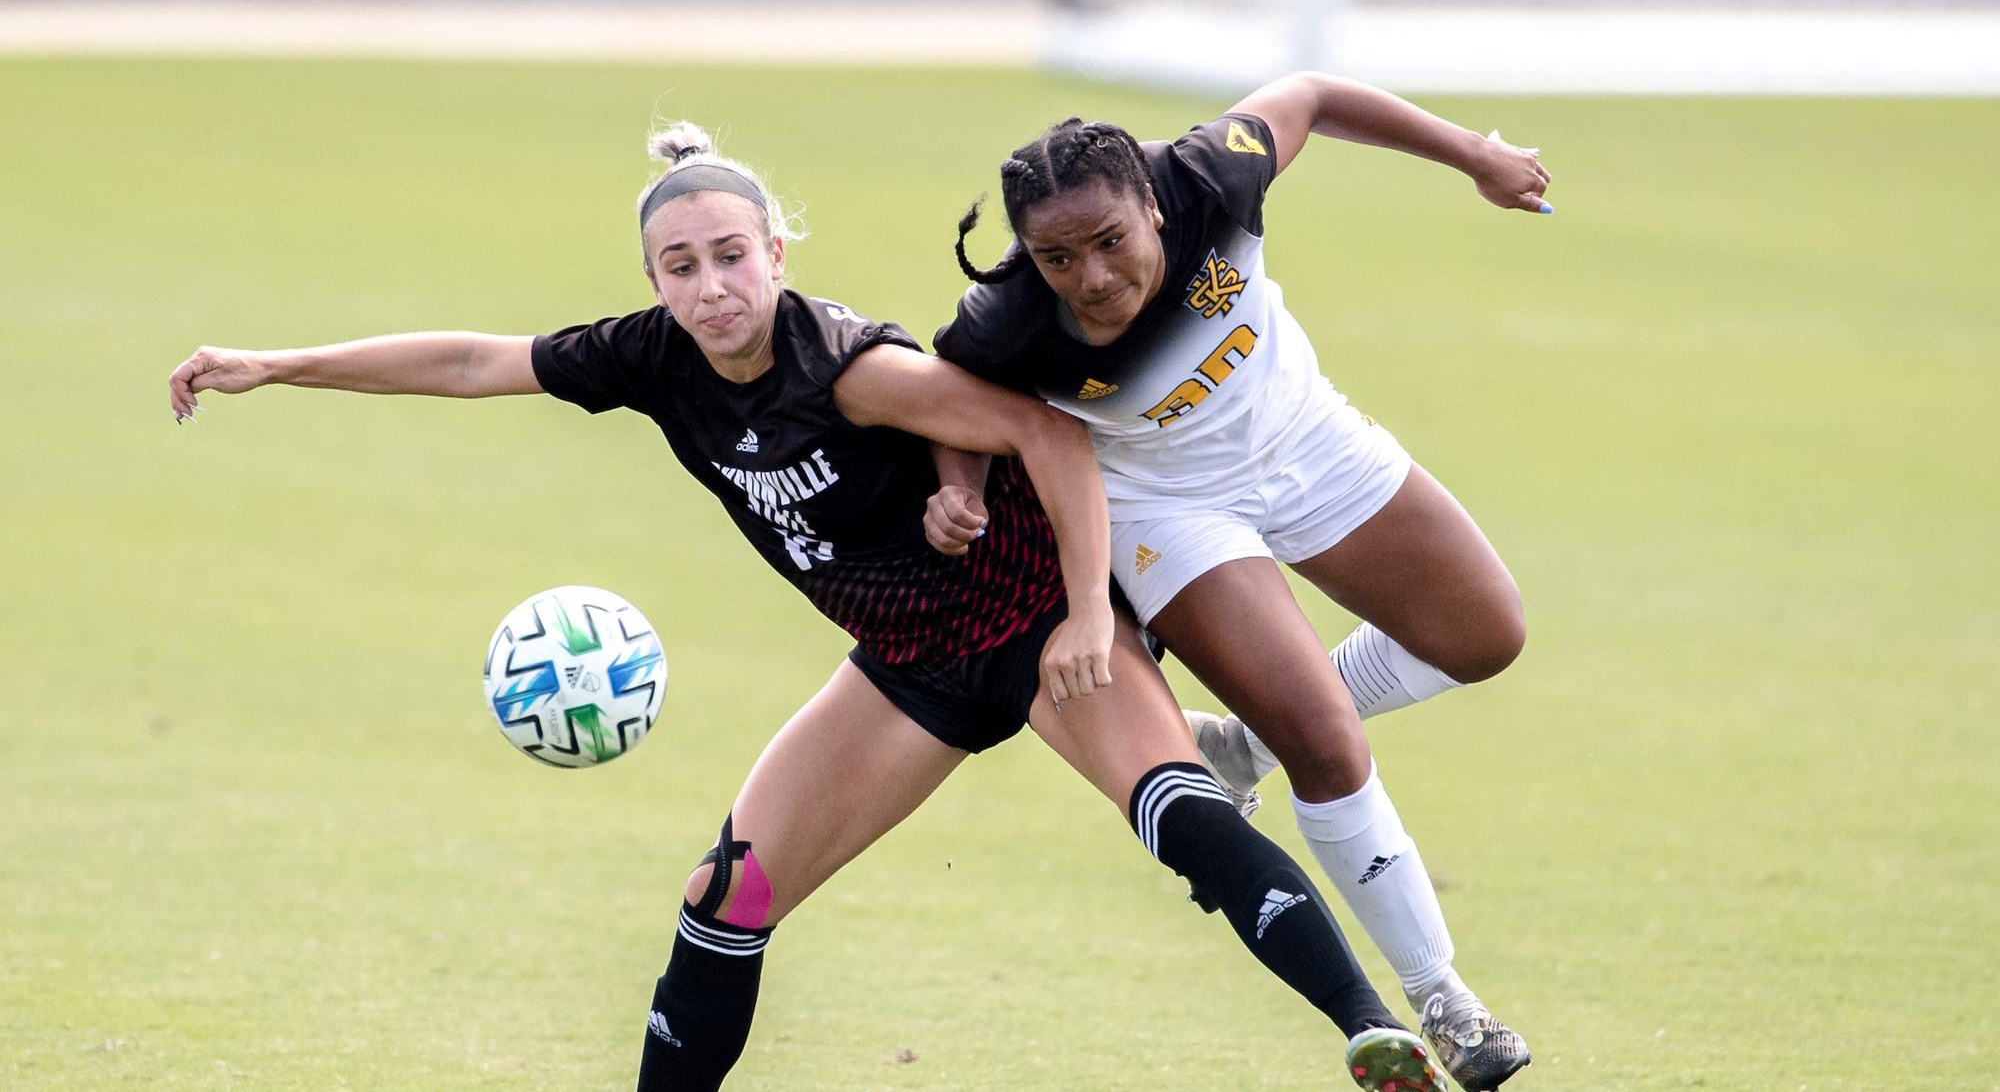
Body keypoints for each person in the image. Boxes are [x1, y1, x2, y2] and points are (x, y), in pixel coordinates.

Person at [166, 121, 1453, 1092]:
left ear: (775, 252)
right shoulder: (651, 358)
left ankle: (1365, 1027)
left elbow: (1044, 440)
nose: (710, 285)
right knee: (724, 895)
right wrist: (275, 366)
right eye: (681, 266)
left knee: (1171, 811)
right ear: (657, 279)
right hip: (906, 661)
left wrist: (1080, 618)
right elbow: (470, 360)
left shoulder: (851, 369)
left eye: (732, 256)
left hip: (1028, 624)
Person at [928, 73, 1552, 1091]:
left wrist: (1473, 155)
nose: (1088, 277)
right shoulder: (1005, 322)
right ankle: (1444, 1001)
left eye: (1108, 241)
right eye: (1055, 257)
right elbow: (954, 407)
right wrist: (953, 491)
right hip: (1169, 508)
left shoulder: (1212, 176)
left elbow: (1310, 95)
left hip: (1305, 437)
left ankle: (1240, 741)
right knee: (1327, 743)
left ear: (1152, 206)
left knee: (1484, 635)